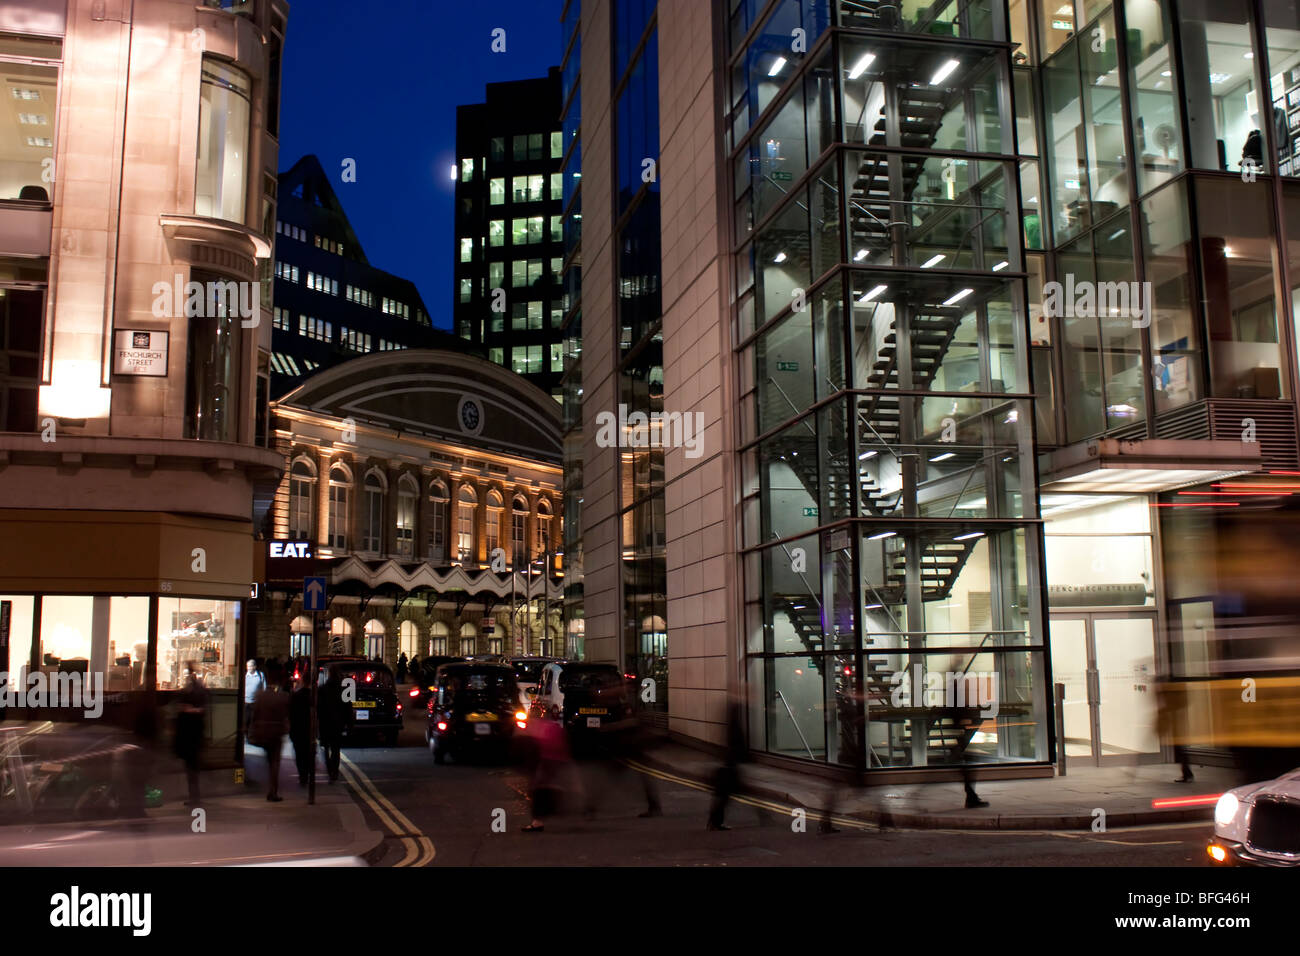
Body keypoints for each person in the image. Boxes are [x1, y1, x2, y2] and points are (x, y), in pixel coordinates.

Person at [248, 662, 290, 801]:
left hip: (263, 732)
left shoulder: (260, 695)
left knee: (269, 761)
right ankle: (273, 791)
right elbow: (286, 715)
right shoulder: (283, 697)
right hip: (276, 733)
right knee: (274, 763)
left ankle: (271, 789)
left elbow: (254, 715)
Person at [707, 699, 748, 831]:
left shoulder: (731, 725)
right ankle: (715, 822)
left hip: (729, 763)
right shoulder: (735, 726)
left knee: (723, 795)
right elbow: (738, 744)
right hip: (731, 764)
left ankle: (714, 821)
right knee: (725, 795)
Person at [174, 662, 208, 806]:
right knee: (192, 767)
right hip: (194, 733)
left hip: (190, 734)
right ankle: (194, 796)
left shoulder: (192, 692)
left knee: (192, 767)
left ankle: (194, 796)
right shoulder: (198, 691)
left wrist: (188, 710)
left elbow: (200, 710)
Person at [318, 666, 345, 783]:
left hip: (325, 723)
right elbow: (347, 707)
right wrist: (349, 723)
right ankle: (334, 771)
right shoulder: (343, 689)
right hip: (337, 723)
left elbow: (318, 708)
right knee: (335, 749)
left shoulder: (322, 689)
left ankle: (330, 770)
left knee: (326, 748)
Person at [289, 673, 314, 787]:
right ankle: (306, 773)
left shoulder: (295, 695)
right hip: (308, 728)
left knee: (299, 753)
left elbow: (290, 713)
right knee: (308, 752)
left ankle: (302, 774)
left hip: (297, 729)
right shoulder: (312, 696)